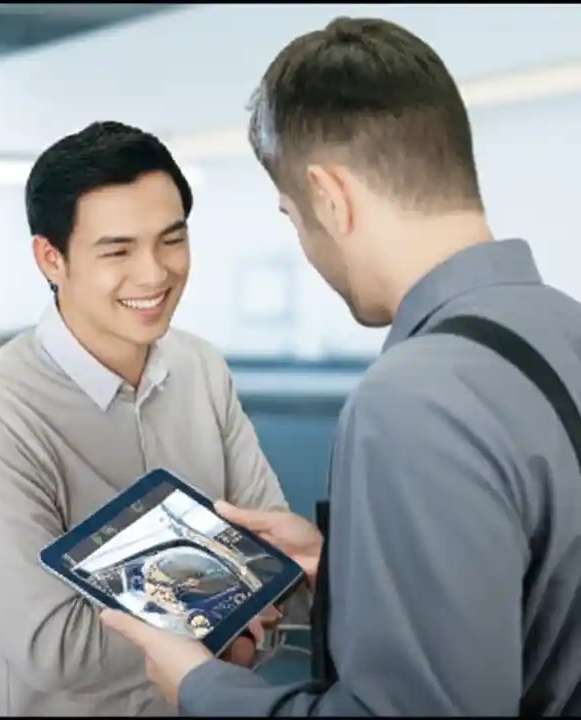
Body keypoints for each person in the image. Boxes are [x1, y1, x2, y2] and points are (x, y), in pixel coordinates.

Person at [100, 16, 581, 717]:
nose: (306, 242)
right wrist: (355, 575)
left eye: (293, 216)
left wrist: (201, 685)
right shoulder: (563, 330)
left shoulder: (413, 400)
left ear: (330, 197)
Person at [0, 120, 296, 717]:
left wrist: (227, 595)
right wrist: (231, 599)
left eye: (171, 240)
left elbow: (278, 566)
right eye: (118, 250)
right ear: (51, 259)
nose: (154, 273)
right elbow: (57, 648)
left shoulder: (201, 369)